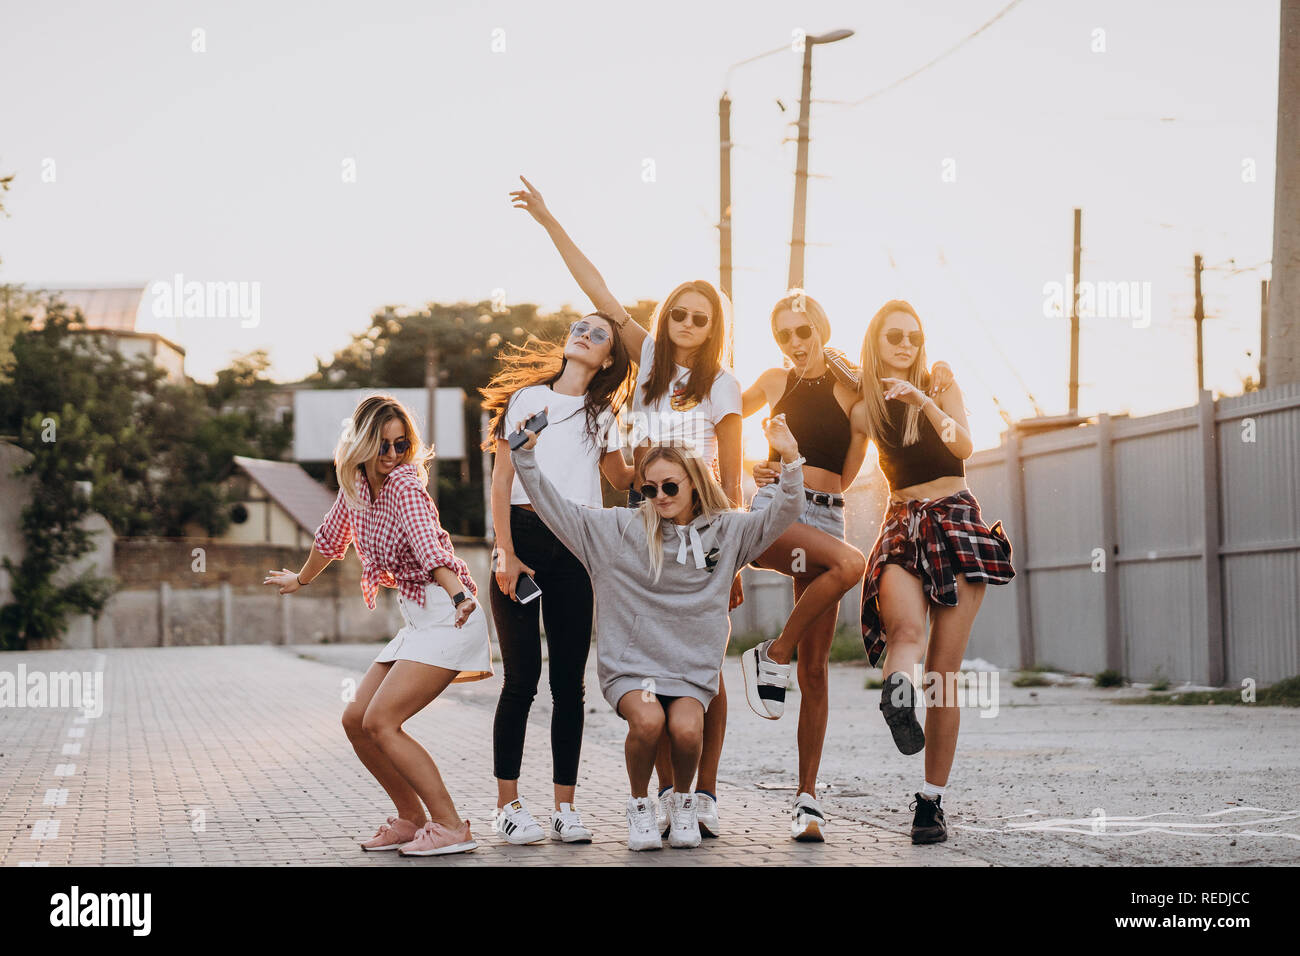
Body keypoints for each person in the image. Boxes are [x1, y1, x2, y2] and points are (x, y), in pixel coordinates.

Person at [510, 175, 743, 837]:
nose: (688, 325)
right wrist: (550, 221)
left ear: (714, 327)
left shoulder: (722, 383)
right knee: (651, 658)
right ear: (666, 317)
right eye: (680, 313)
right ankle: (666, 795)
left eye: (701, 317)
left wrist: (733, 559)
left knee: (702, 664)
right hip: (643, 524)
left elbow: (729, 474)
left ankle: (703, 795)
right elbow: (597, 287)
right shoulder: (643, 359)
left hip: (701, 529)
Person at [509, 412, 806, 850]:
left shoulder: (727, 532)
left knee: (687, 731)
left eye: (670, 487)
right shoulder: (620, 530)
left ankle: (684, 802)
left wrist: (791, 456)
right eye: (649, 489)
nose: (660, 497)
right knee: (648, 721)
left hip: (689, 669)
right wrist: (527, 459)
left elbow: (784, 510)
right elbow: (558, 510)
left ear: (694, 483)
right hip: (635, 670)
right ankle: (639, 806)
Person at [738, 290, 952, 841]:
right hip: (778, 509)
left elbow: (868, 446)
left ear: (823, 330)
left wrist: (938, 392)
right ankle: (772, 653)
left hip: (826, 517)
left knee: (816, 671)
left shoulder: (852, 393)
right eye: (784, 333)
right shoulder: (775, 381)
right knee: (853, 566)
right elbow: (729, 410)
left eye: (803, 331)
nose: (794, 342)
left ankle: (807, 801)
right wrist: (745, 472)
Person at [264, 394, 491, 857]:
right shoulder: (357, 489)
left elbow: (431, 549)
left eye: (400, 445)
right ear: (362, 445)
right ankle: (410, 819)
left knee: (383, 721)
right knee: (356, 720)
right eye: (382, 446)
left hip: (449, 614)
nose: (391, 457)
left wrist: (461, 595)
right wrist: (301, 579)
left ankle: (450, 825)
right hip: (419, 619)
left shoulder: (406, 485)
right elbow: (330, 540)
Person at [860, 300, 1014, 844]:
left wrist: (924, 399)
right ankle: (897, 699)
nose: (905, 343)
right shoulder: (865, 403)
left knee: (943, 676)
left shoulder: (941, 383)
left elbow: (963, 445)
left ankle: (931, 803)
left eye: (913, 336)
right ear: (876, 341)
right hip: (903, 523)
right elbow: (837, 463)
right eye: (894, 335)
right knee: (905, 633)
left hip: (955, 523)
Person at [478, 311, 636, 844]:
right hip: (521, 538)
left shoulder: (605, 415)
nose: (585, 335)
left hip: (576, 545)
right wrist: (504, 551)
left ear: (609, 358)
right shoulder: (527, 400)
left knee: (569, 685)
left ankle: (565, 809)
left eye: (599, 335)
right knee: (520, 680)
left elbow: (624, 480)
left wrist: (660, 433)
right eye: (580, 327)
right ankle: (509, 806)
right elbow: (502, 481)